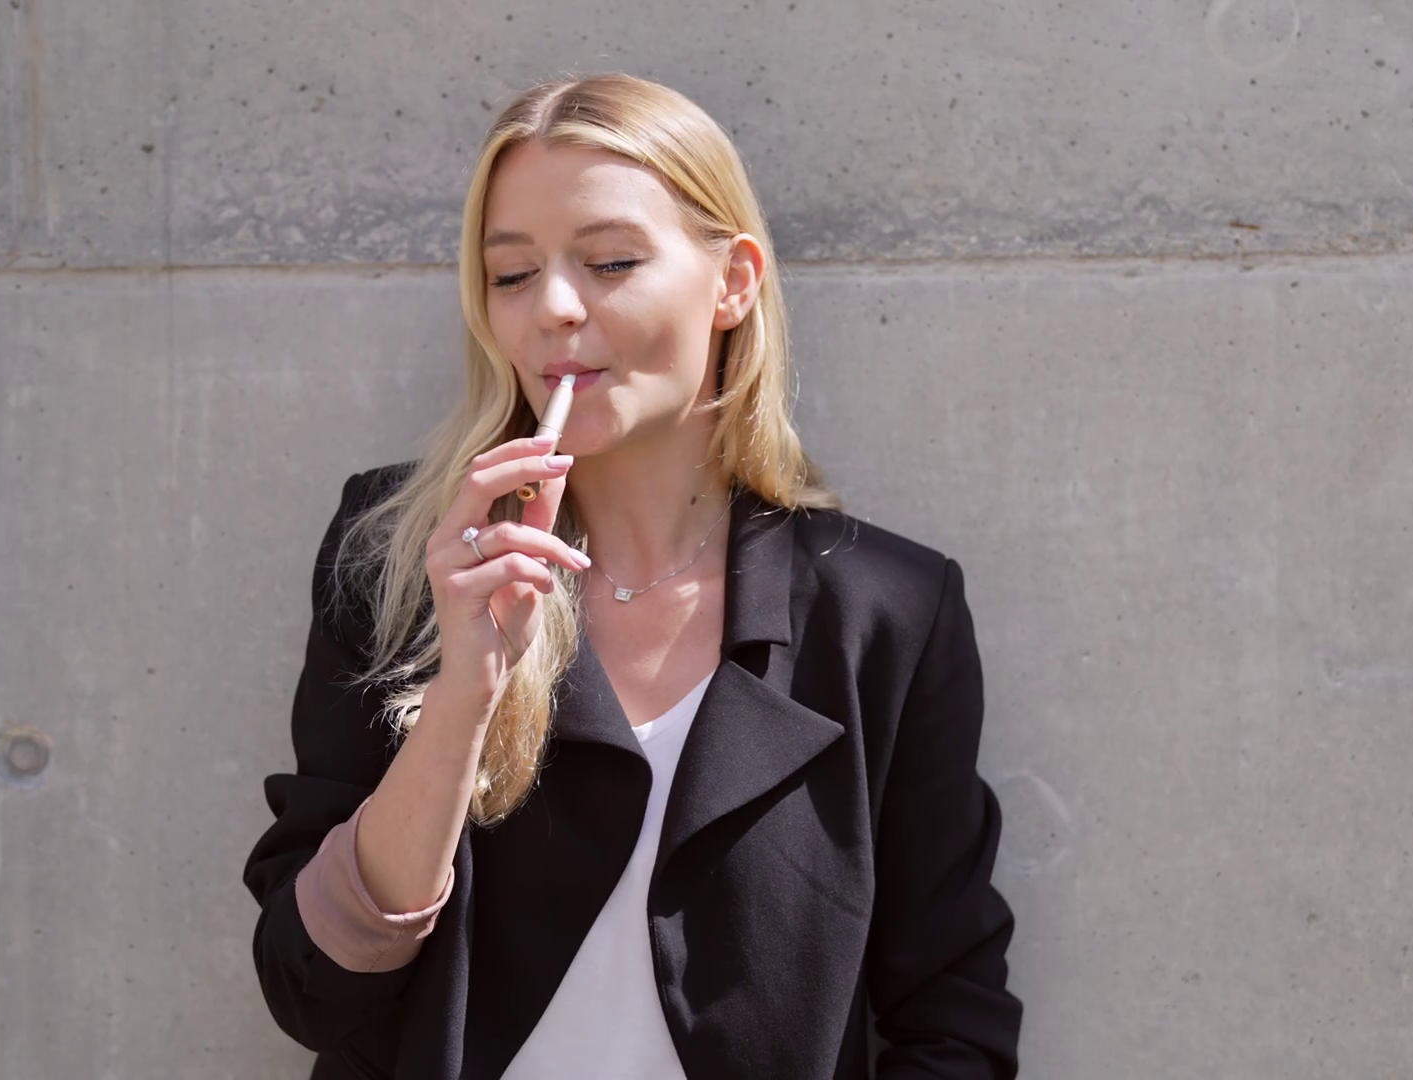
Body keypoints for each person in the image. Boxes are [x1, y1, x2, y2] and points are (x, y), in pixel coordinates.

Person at [242, 73, 1023, 1080]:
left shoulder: (885, 613)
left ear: (733, 282)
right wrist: (464, 697)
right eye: (512, 275)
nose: (554, 309)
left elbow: (953, 1017)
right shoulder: (403, 555)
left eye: (610, 261)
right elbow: (309, 989)